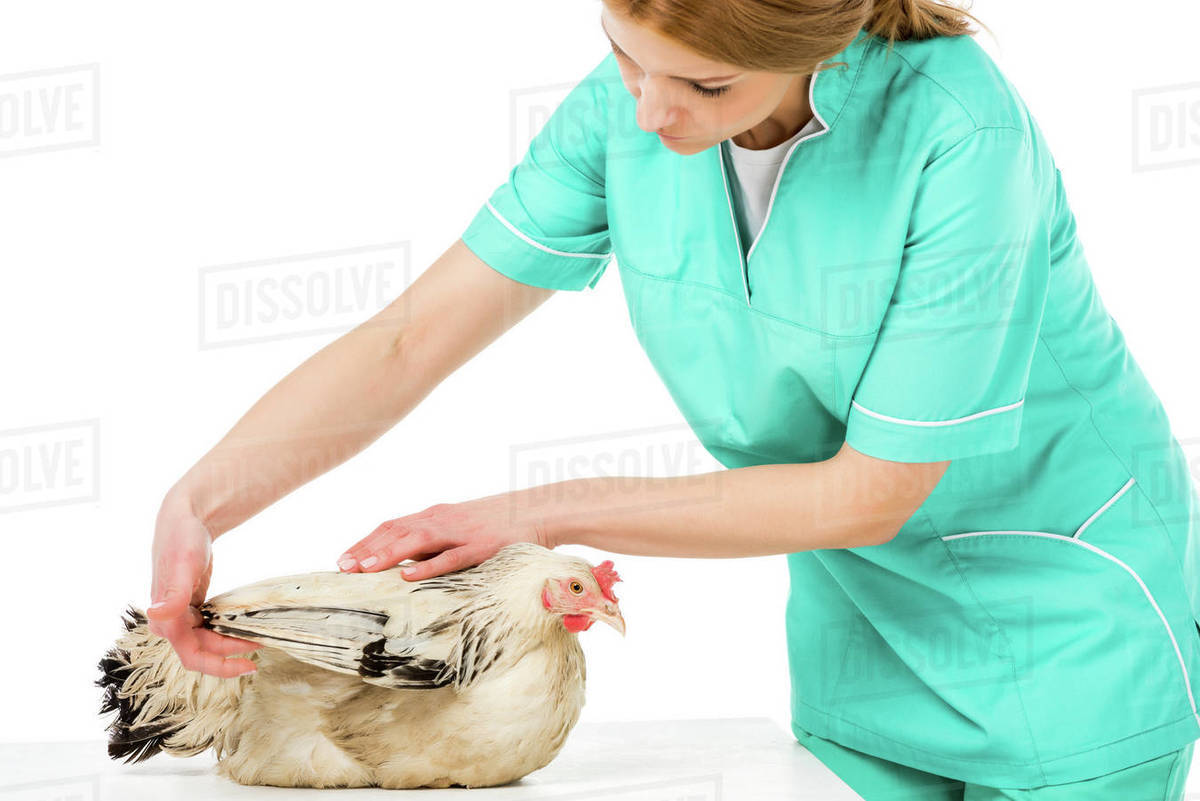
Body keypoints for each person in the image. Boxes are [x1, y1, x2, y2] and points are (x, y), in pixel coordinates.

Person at [146, 0, 1200, 798]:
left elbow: (869, 494)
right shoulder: (632, 102)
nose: (648, 112)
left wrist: (528, 516)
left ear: (817, 45)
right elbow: (410, 338)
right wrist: (197, 505)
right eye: (623, 56)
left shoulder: (961, 135)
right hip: (861, 620)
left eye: (704, 87)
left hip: (1062, 613)